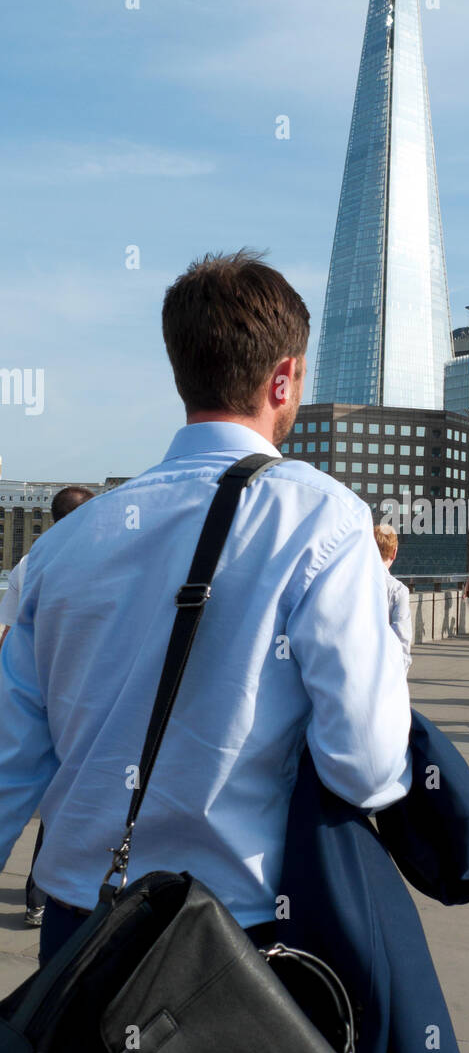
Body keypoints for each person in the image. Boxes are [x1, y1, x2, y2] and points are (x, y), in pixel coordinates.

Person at [0, 251, 413, 970]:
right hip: (239, 930)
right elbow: (366, 767)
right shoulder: (323, 519)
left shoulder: (67, 543)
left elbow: (9, 765)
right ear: (282, 378)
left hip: (78, 922)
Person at [0, 485, 96, 928]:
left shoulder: (30, 562)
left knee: (29, 783)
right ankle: (45, 895)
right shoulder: (108, 557)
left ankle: (42, 896)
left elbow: (10, 634)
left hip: (41, 691)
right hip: (88, 701)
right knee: (66, 799)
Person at [375, 523, 412, 670]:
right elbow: (401, 643)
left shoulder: (349, 582)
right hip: (382, 672)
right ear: (394, 552)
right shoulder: (398, 590)